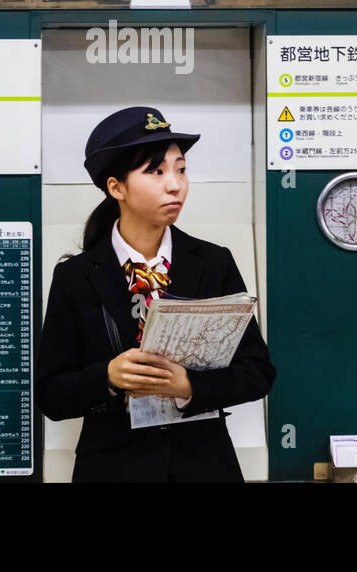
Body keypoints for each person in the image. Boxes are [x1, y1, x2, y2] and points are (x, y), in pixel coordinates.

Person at [35, 105, 276, 482]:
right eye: (156, 171)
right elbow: (51, 395)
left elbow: (257, 372)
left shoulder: (213, 263)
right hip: (113, 470)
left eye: (181, 169)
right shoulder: (75, 277)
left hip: (204, 467)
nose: (175, 184)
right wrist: (109, 376)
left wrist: (189, 387)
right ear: (116, 187)